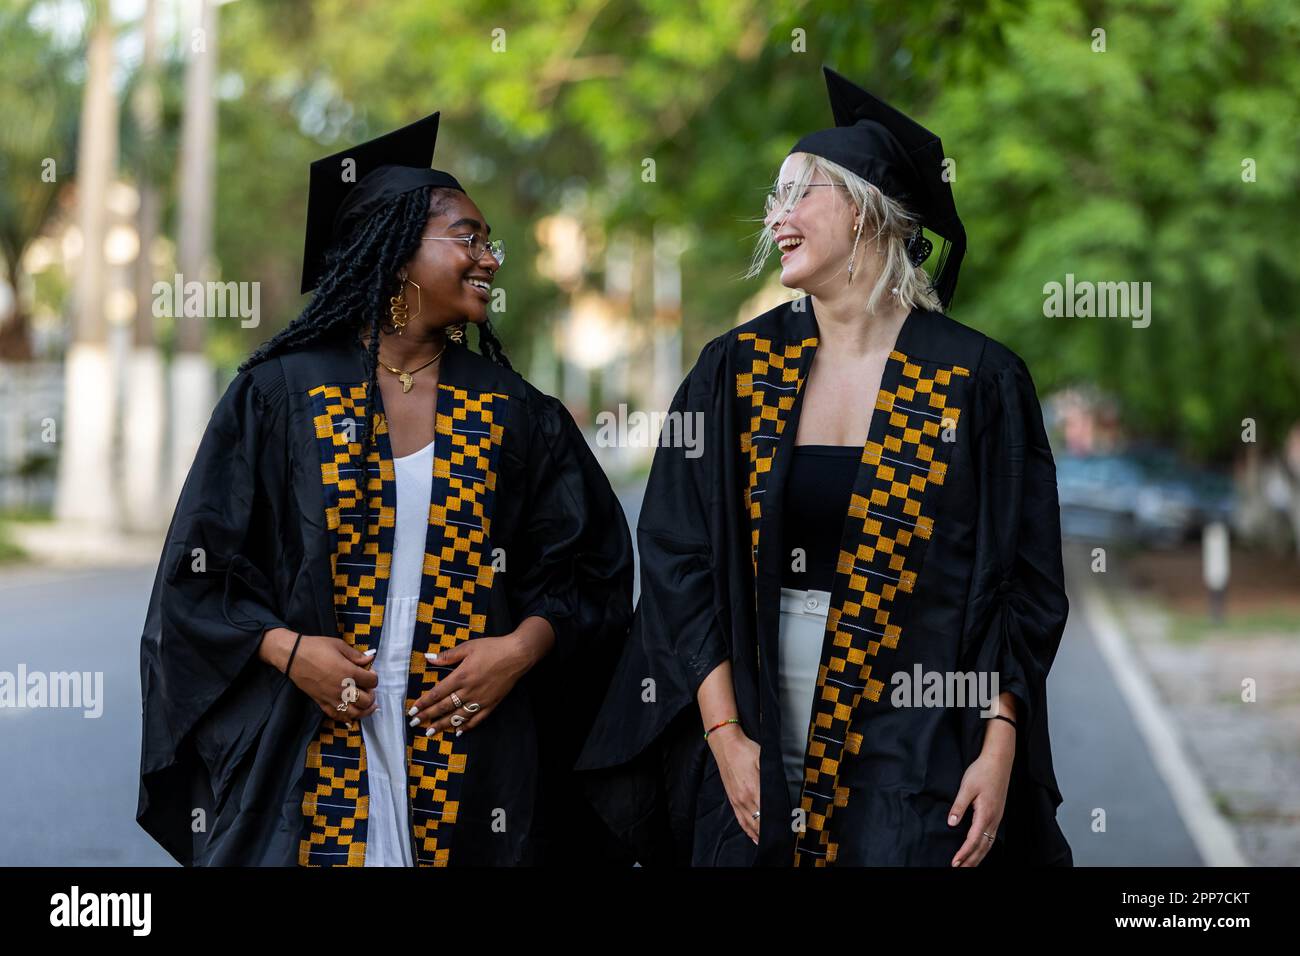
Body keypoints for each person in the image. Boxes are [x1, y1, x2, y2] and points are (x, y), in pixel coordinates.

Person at [577, 68, 1072, 867]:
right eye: (774, 199)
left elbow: (1027, 579)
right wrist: (726, 737)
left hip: (921, 732)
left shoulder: (976, 381)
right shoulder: (736, 372)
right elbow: (679, 558)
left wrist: (1000, 741)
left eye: (798, 194)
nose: (776, 217)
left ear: (867, 207)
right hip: (758, 717)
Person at [137, 112, 634, 866]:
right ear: (398, 250)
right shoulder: (279, 397)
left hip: (471, 743)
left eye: (488, 241)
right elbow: (196, 579)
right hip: (309, 739)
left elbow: (592, 571)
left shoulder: (513, 412)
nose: (490, 259)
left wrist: (520, 649)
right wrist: (289, 649)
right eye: (467, 237)